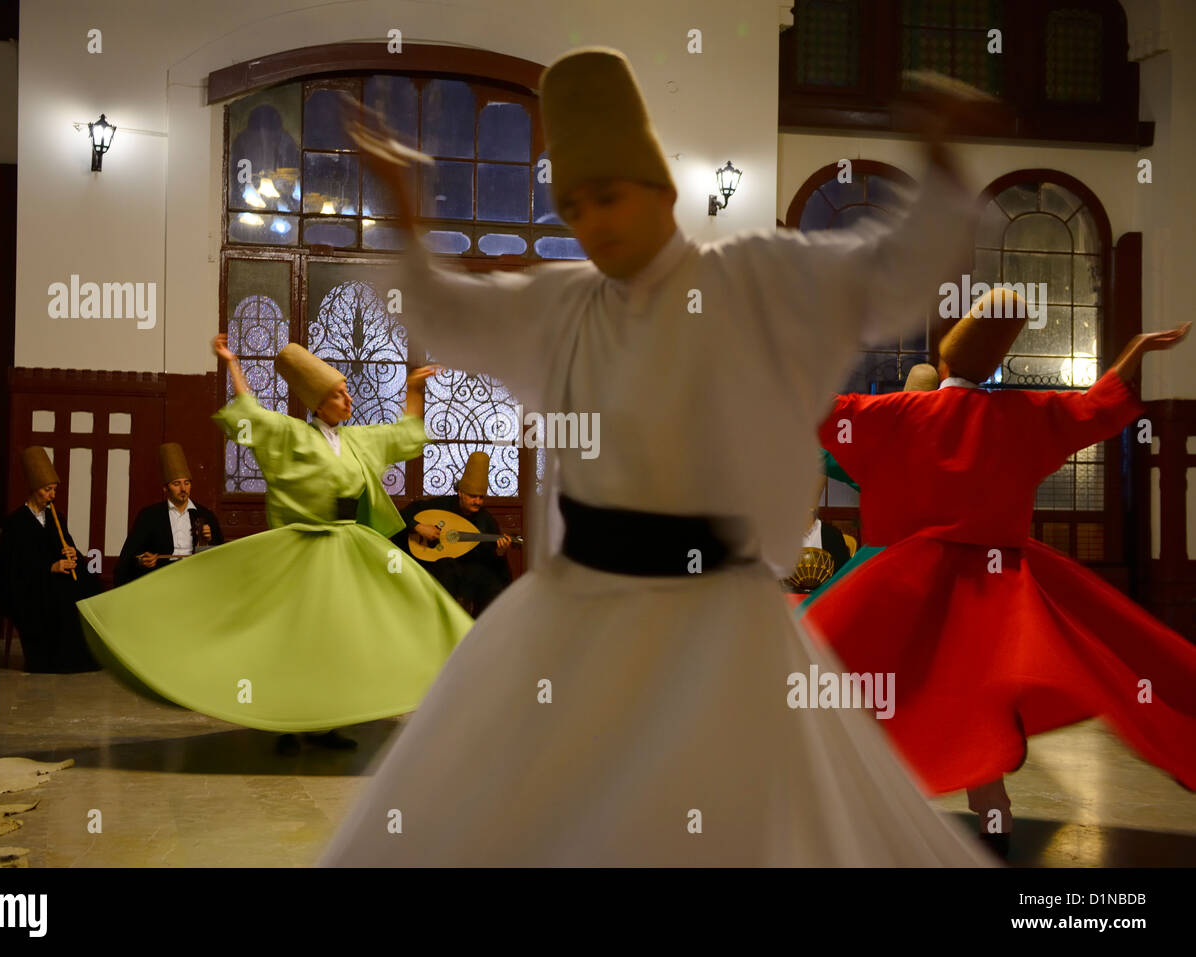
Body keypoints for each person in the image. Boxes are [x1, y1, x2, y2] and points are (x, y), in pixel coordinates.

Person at [321, 50, 997, 866]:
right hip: (574, 608)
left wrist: (944, 165)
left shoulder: (757, 278)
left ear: (661, 189)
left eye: (608, 195)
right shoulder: (562, 302)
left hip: (723, 618)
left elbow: (886, 275)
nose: (593, 222)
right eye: (573, 206)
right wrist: (404, 212)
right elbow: (446, 311)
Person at [803, 288, 1196, 857]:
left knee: (858, 692)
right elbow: (1095, 410)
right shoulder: (1023, 416)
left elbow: (813, 411)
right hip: (995, 591)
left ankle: (856, 815)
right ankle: (995, 821)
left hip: (898, 584)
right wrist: (1133, 352)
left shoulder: (890, 414)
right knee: (975, 707)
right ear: (995, 365)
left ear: (941, 364)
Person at [76, 336, 472, 750]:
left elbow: (402, 437)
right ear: (318, 403)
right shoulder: (293, 436)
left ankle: (330, 721)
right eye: (338, 395)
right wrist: (232, 364)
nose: (348, 400)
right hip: (303, 549)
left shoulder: (359, 442)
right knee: (294, 638)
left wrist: (413, 389)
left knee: (342, 636)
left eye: (347, 392)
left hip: (350, 549)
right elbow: (252, 417)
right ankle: (285, 722)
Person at [797, 362, 939, 610]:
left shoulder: (882, 450)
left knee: (823, 613)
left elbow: (821, 454)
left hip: (892, 555)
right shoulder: (950, 446)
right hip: (933, 560)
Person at [0, 447, 101, 673]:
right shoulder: (15, 523)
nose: (52, 495)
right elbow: (13, 566)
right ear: (35, 490)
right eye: (47, 490)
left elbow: (68, 544)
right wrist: (50, 567)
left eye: (54, 490)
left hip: (57, 577)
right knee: (60, 597)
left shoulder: (56, 517)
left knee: (89, 586)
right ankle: (56, 660)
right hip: (31, 584)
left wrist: (74, 554)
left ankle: (85, 656)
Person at [394, 451, 513, 616]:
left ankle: (480, 631)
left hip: (468, 575)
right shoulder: (441, 505)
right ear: (461, 492)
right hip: (439, 568)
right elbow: (402, 515)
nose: (477, 501)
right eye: (472, 496)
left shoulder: (486, 521)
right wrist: (419, 527)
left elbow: (492, 564)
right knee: (446, 567)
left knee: (492, 583)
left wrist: (499, 553)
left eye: (481, 497)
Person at [115, 443, 224, 586]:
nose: (183, 489)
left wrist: (208, 540)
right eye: (176, 484)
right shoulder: (149, 516)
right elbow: (130, 557)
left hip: (195, 578)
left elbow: (219, 556)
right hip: (161, 579)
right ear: (165, 488)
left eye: (187, 483)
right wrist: (143, 560)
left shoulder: (205, 515)